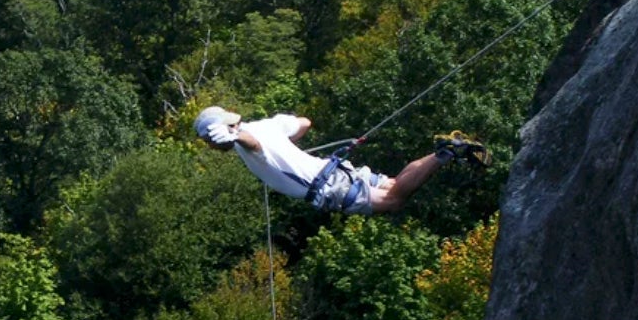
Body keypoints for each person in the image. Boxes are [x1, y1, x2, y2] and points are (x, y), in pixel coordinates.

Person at [194, 106, 488, 215]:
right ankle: (444, 152)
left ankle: (445, 153)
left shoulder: (247, 142)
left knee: (395, 200)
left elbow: (253, 145)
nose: (213, 146)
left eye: (211, 141)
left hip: (328, 186)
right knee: (396, 185)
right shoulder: (267, 125)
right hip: (331, 170)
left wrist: (235, 138)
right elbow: (305, 123)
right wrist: (284, 144)